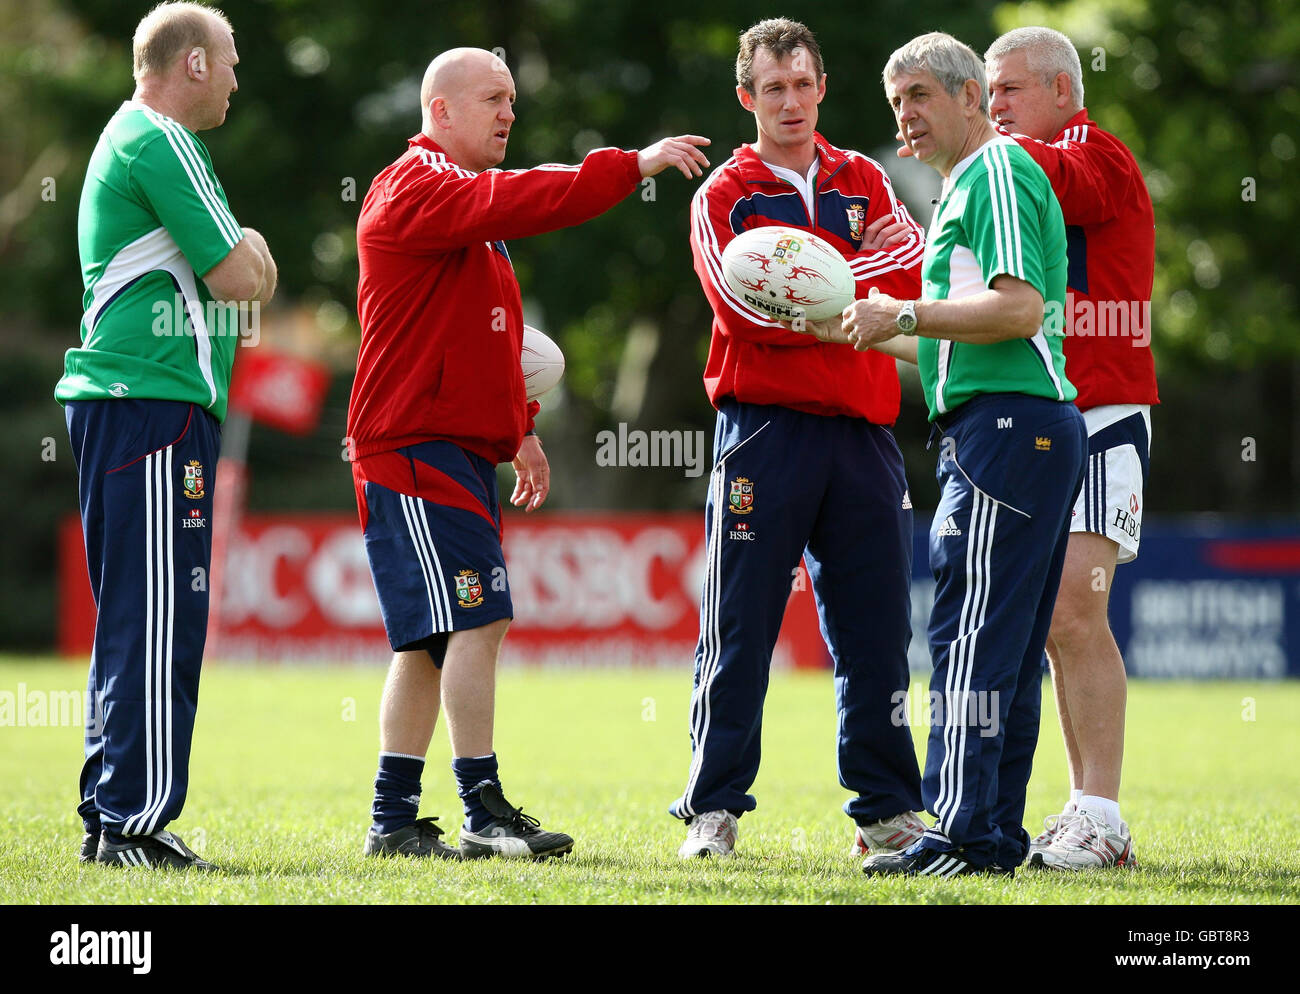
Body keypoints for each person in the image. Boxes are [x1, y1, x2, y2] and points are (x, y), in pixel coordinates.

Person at [349, 46, 710, 860]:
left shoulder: (467, 218)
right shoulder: (417, 187)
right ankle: (481, 810)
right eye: (492, 99)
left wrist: (522, 429)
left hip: (444, 446)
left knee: (430, 641)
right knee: (482, 617)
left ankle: (394, 822)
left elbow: (486, 341)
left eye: (512, 98)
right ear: (439, 111)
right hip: (414, 447)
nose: (509, 112)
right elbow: (528, 194)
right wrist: (630, 165)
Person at [669, 17, 928, 860]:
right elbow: (741, 306)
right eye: (772, 87)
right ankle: (713, 809)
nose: (790, 100)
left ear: (822, 88)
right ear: (747, 97)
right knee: (740, 624)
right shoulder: (722, 194)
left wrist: (812, 282)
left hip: (863, 433)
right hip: (763, 432)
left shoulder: (867, 178)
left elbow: (915, 282)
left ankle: (887, 815)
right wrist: (855, 283)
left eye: (803, 83)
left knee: (877, 629)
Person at [840, 31, 1086, 877]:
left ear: (972, 96)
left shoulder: (997, 170)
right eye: (894, 102)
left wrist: (901, 313)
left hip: (1010, 431)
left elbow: (1017, 311)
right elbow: (957, 344)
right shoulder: (963, 186)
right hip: (1010, 427)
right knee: (1004, 646)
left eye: (918, 97)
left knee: (972, 636)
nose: (904, 117)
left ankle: (958, 828)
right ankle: (985, 837)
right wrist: (858, 325)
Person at [56, 1, 277, 869]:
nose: (233, 78)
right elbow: (239, 277)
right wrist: (250, 246)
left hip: (134, 404)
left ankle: (109, 817)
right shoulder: (162, 138)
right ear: (190, 64)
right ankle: (133, 823)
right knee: (159, 620)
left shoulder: (141, 139)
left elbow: (237, 276)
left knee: (136, 618)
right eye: (227, 62)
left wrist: (245, 257)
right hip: (151, 402)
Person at [984, 26, 1156, 871]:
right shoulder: (1016, 170)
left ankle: (1104, 813)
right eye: (986, 94)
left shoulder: (1098, 151)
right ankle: (1088, 809)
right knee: (1058, 623)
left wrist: (976, 144)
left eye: (1008, 91)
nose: (996, 109)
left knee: (1071, 614)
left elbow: (1075, 187)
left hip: (1106, 415)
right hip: (1055, 417)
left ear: (1061, 89)